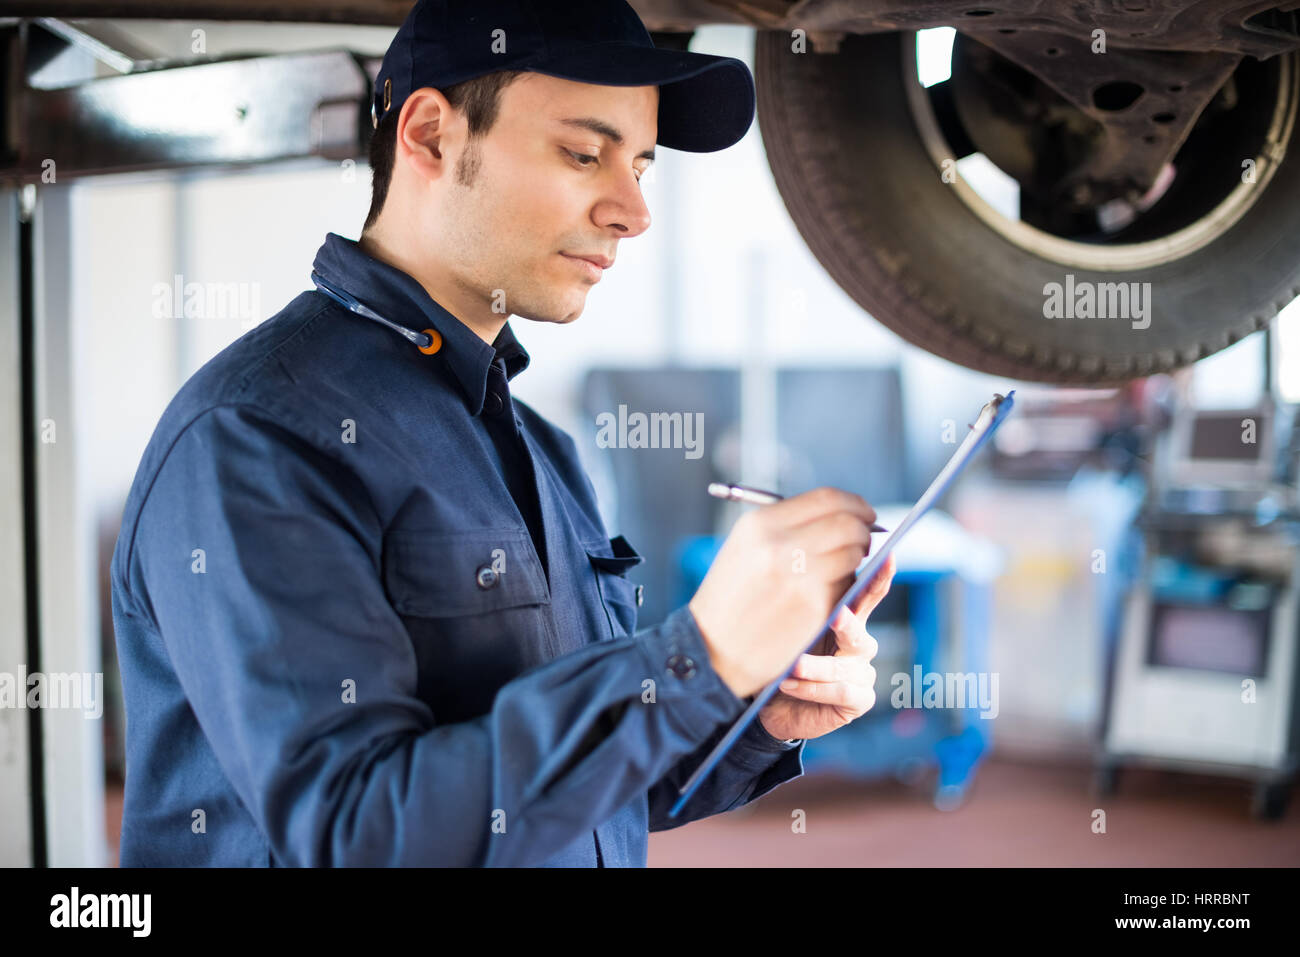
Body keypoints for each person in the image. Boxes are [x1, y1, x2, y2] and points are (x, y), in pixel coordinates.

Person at [109, 0, 895, 867]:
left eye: (642, 166)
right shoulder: (257, 437)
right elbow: (355, 830)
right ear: (431, 136)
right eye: (584, 153)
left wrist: (754, 707)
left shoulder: (541, 449)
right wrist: (695, 658)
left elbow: (591, 793)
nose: (633, 212)